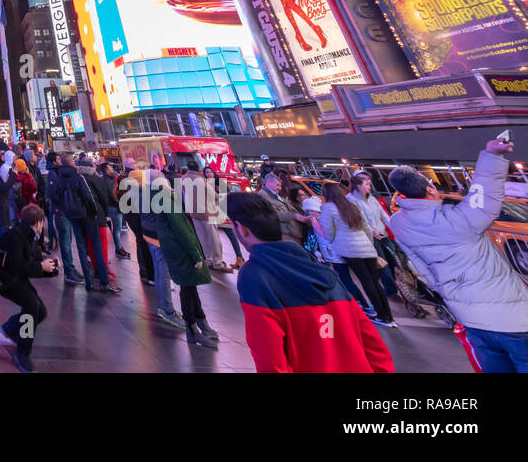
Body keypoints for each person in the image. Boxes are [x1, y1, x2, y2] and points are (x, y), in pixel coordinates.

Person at [389, 137, 528, 372]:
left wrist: (446, 291)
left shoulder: (399, 223)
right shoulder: (459, 219)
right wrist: (492, 155)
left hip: (469, 318)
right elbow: (486, 197)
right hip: (513, 318)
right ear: (430, 188)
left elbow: (422, 268)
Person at [226, 191, 395, 372]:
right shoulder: (322, 271)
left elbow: (269, 357)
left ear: (241, 228)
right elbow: (371, 341)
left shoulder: (255, 274)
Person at [150, 168, 217, 347]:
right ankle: (193, 327)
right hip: (181, 249)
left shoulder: (158, 198)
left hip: (173, 247)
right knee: (188, 288)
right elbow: (181, 229)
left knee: (190, 287)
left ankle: (200, 323)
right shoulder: (166, 199)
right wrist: (195, 254)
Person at [0, 203, 59, 372]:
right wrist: (41, 268)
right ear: (39, 223)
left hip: (15, 279)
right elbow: (17, 266)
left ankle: (11, 327)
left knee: (40, 312)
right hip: (4, 281)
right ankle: (23, 352)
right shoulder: (16, 236)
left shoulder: (28, 235)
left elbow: (31, 262)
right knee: (32, 307)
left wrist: (49, 269)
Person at [319, 181, 396, 328]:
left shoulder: (328, 207)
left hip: (349, 249)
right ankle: (389, 316)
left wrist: (335, 242)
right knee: (375, 282)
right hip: (367, 248)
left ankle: (380, 315)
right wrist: (369, 244)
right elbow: (366, 227)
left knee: (366, 282)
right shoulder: (351, 206)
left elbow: (329, 232)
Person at [50, 154, 119, 294]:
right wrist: (94, 212)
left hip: (72, 217)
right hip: (87, 215)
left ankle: (89, 282)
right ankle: (104, 282)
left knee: (81, 247)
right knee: (96, 246)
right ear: (71, 163)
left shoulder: (60, 179)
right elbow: (88, 196)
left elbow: (54, 196)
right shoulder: (78, 177)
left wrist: (65, 210)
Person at [257, 172, 308, 243]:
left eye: (280, 186)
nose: (280, 188)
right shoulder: (262, 197)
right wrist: (295, 216)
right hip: (286, 236)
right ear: (268, 182)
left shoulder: (276, 195)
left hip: (294, 234)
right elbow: (274, 214)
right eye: (277, 185)